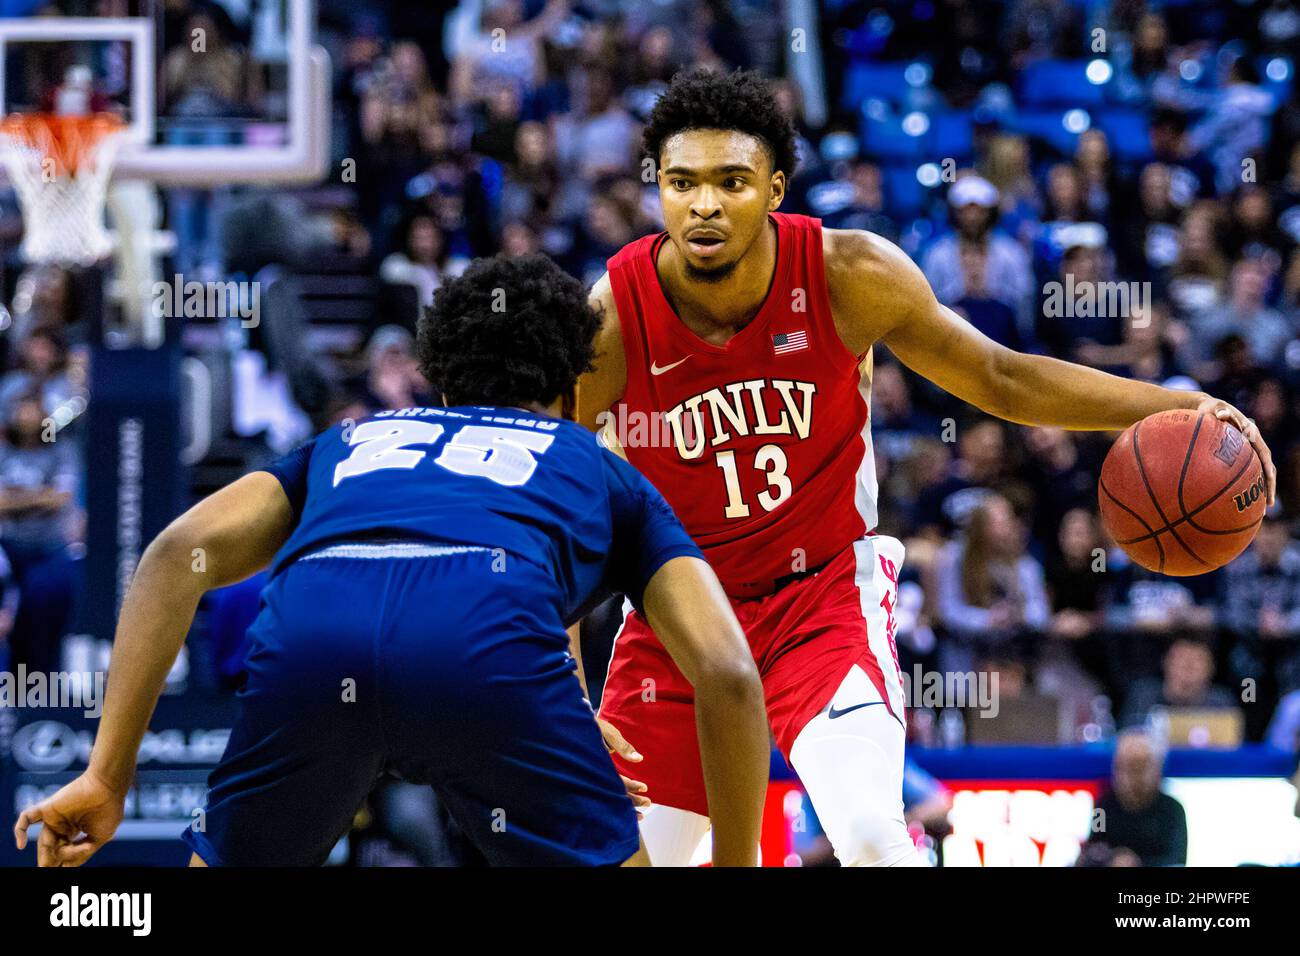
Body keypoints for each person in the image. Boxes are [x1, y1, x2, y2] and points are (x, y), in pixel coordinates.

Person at [576, 67, 1276, 868]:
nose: (703, 204)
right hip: (682, 621)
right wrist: (563, 686)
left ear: (773, 188)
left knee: (873, 839)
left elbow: (1002, 378)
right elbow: (548, 499)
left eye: (730, 181)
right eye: (681, 182)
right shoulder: (615, 314)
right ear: (657, 189)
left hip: (819, 606)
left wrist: (1167, 407)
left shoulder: (848, 275)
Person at [12, 254, 769, 868]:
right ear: (574, 389)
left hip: (315, 637)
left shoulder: (354, 440)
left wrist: (108, 774)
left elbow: (175, 553)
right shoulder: (595, 464)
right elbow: (730, 675)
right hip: (485, 648)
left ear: (440, 381)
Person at [1085, 730, 1188, 866]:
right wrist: (1113, 858)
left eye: (1139, 768)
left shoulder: (1173, 810)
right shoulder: (1102, 807)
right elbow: (1093, 848)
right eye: (1126, 768)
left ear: (1157, 769)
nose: (1132, 778)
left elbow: (1176, 860)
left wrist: (1136, 863)